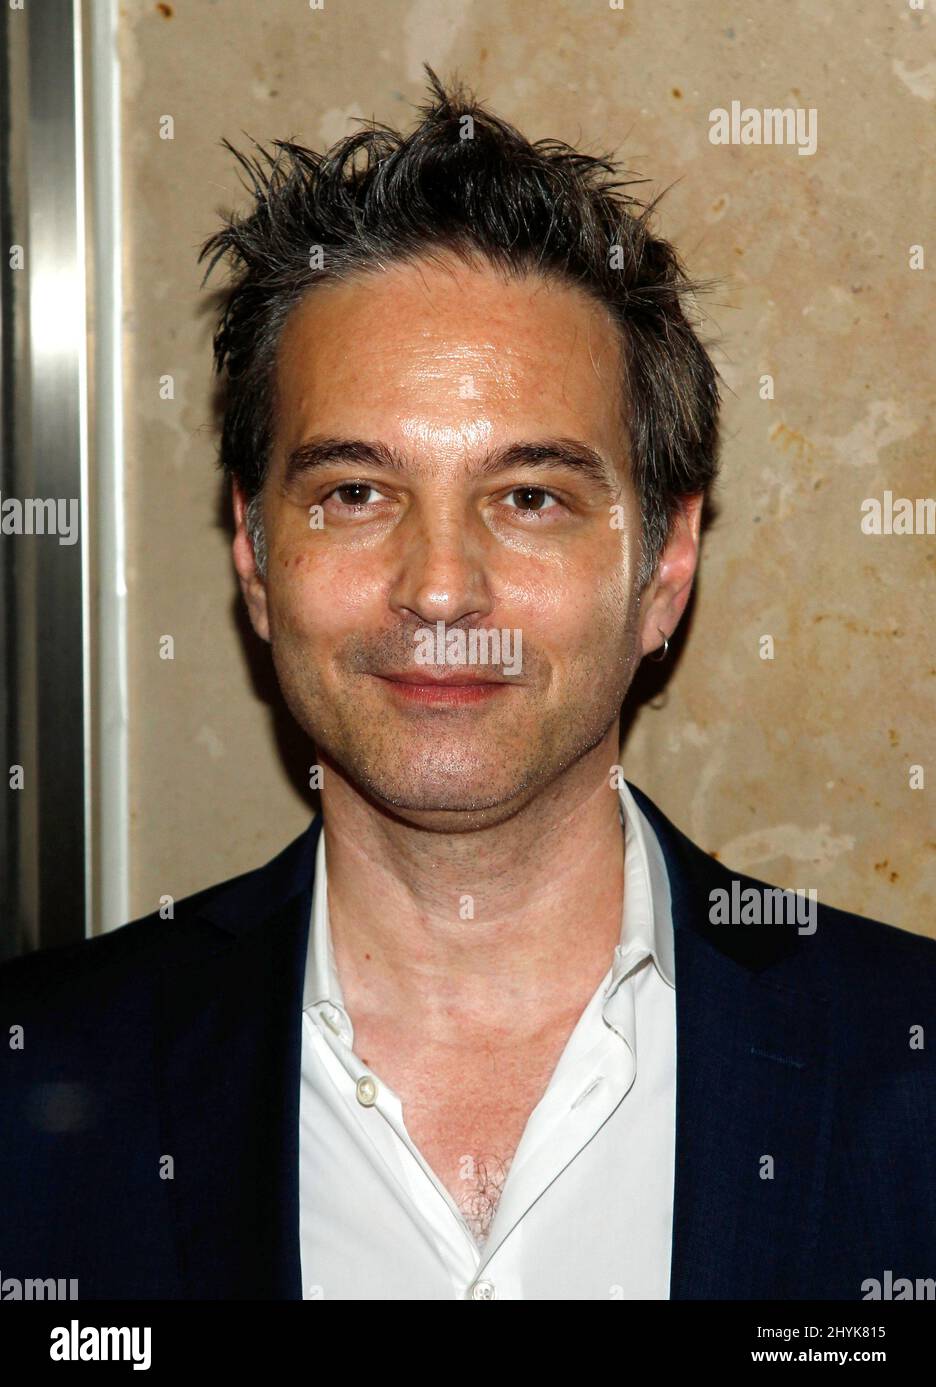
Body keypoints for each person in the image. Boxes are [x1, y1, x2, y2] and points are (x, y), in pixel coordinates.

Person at [1, 69, 933, 1302]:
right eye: (355, 492)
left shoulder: (909, 1075)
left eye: (530, 496)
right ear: (257, 559)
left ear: (665, 564)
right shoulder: (38, 1086)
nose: (439, 588)